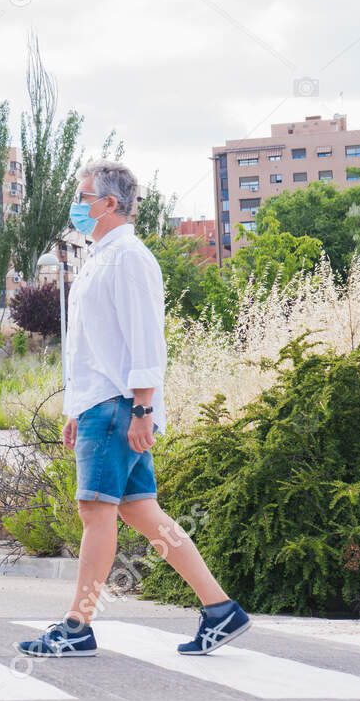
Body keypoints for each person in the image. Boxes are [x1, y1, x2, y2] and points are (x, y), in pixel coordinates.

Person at [17, 160, 250, 658]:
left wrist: (143, 408)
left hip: (120, 405)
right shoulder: (99, 257)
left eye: (84, 197)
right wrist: (76, 408)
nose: (78, 206)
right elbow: (94, 346)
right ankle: (219, 609)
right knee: (140, 510)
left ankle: (77, 627)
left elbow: (145, 338)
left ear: (110, 203)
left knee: (94, 512)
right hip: (101, 403)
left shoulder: (129, 258)